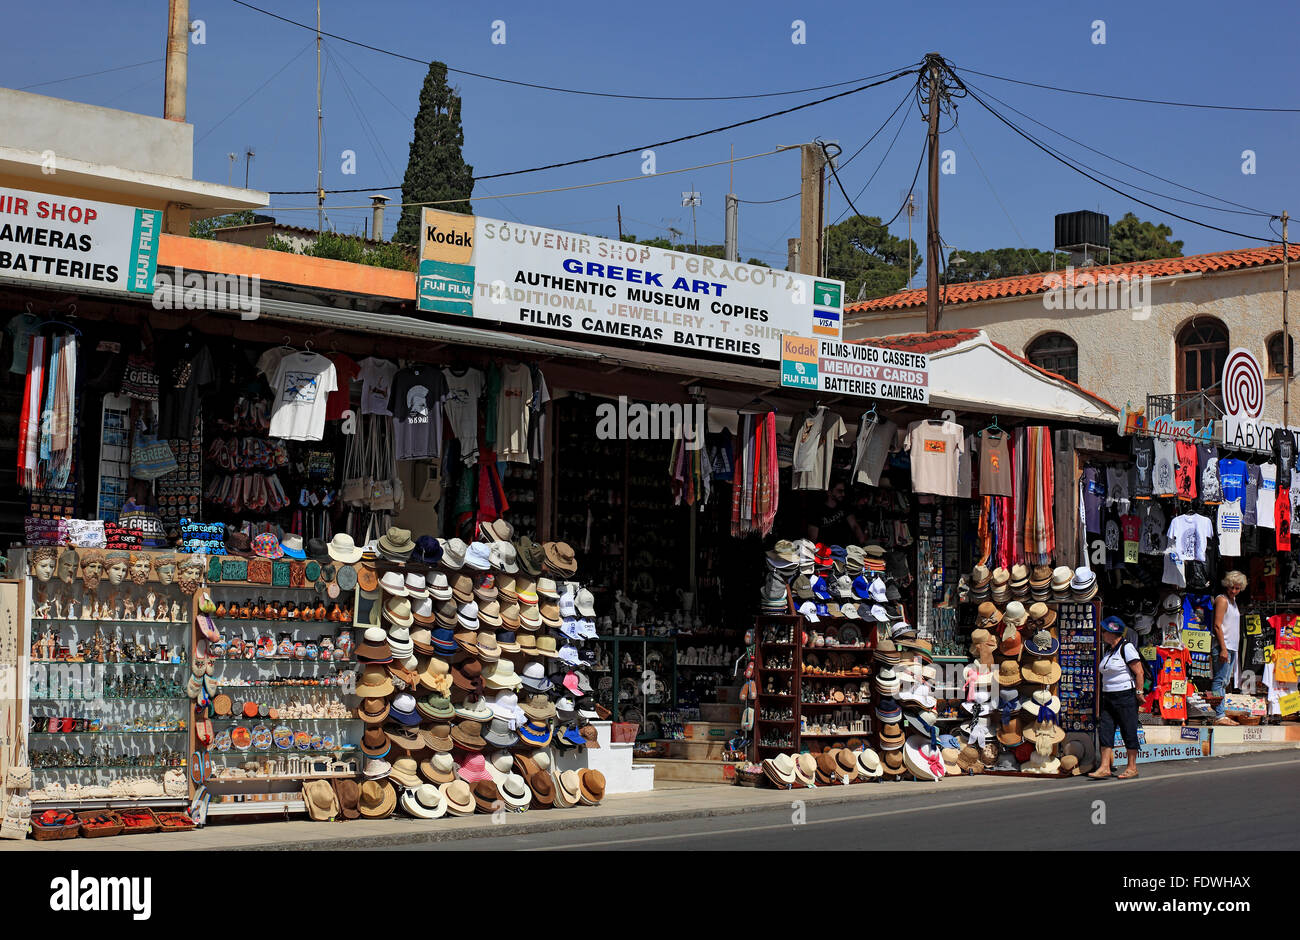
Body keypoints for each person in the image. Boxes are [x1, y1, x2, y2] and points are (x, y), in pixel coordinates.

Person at [1090, 615, 1144, 780]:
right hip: (1108, 696)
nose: (1102, 633)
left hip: (1125, 696)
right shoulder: (1108, 649)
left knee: (1129, 729)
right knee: (1106, 730)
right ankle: (1105, 767)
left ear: (1112, 633)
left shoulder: (1126, 648)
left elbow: (1139, 672)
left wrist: (1139, 692)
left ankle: (1132, 767)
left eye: (1105, 630)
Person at [1211, 570, 1246, 726]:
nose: (1234, 590)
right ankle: (1219, 715)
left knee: (1224, 681)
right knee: (1220, 681)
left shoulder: (1233, 601)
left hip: (1231, 647)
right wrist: (1223, 649)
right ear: (1226, 585)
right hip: (1223, 646)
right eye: (1232, 587)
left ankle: (1221, 714)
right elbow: (1217, 626)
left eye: (1237, 588)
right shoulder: (1222, 600)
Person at [806, 477, 864, 546]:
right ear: (829, 492)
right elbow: (812, 539)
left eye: (843, 491)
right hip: (825, 552)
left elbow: (855, 526)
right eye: (839, 491)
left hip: (843, 551)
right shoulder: (817, 511)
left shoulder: (844, 506)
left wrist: (863, 544)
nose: (843, 494)